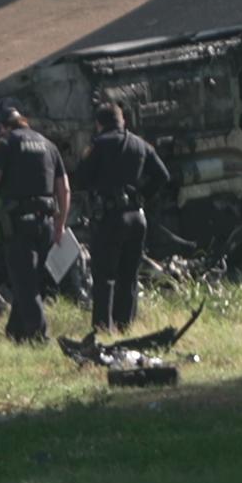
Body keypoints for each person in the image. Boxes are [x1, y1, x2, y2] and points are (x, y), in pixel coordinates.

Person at [75, 103, 170, 333]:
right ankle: (124, 326)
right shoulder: (140, 144)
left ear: (99, 124)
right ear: (122, 121)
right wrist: (142, 196)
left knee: (104, 275)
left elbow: (80, 179)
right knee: (129, 275)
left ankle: (102, 328)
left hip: (110, 217)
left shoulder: (99, 145)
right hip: (137, 217)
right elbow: (163, 176)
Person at [0, 100, 71, 343]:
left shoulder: (6, 143)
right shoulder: (48, 144)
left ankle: (40, 337)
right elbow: (64, 189)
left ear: (2, 126)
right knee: (31, 281)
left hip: (19, 224)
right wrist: (61, 223)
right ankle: (16, 333)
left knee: (25, 284)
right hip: (46, 223)